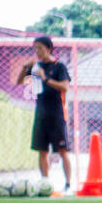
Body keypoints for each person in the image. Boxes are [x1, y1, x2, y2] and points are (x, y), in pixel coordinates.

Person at [15, 35, 73, 194]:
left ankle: (68, 185)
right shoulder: (35, 67)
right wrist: (24, 67)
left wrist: (45, 78)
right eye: (35, 48)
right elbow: (20, 82)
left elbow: (64, 87)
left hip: (57, 114)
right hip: (40, 113)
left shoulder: (59, 66)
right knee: (42, 150)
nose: (37, 51)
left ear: (48, 48)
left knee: (62, 150)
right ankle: (45, 184)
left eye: (40, 48)